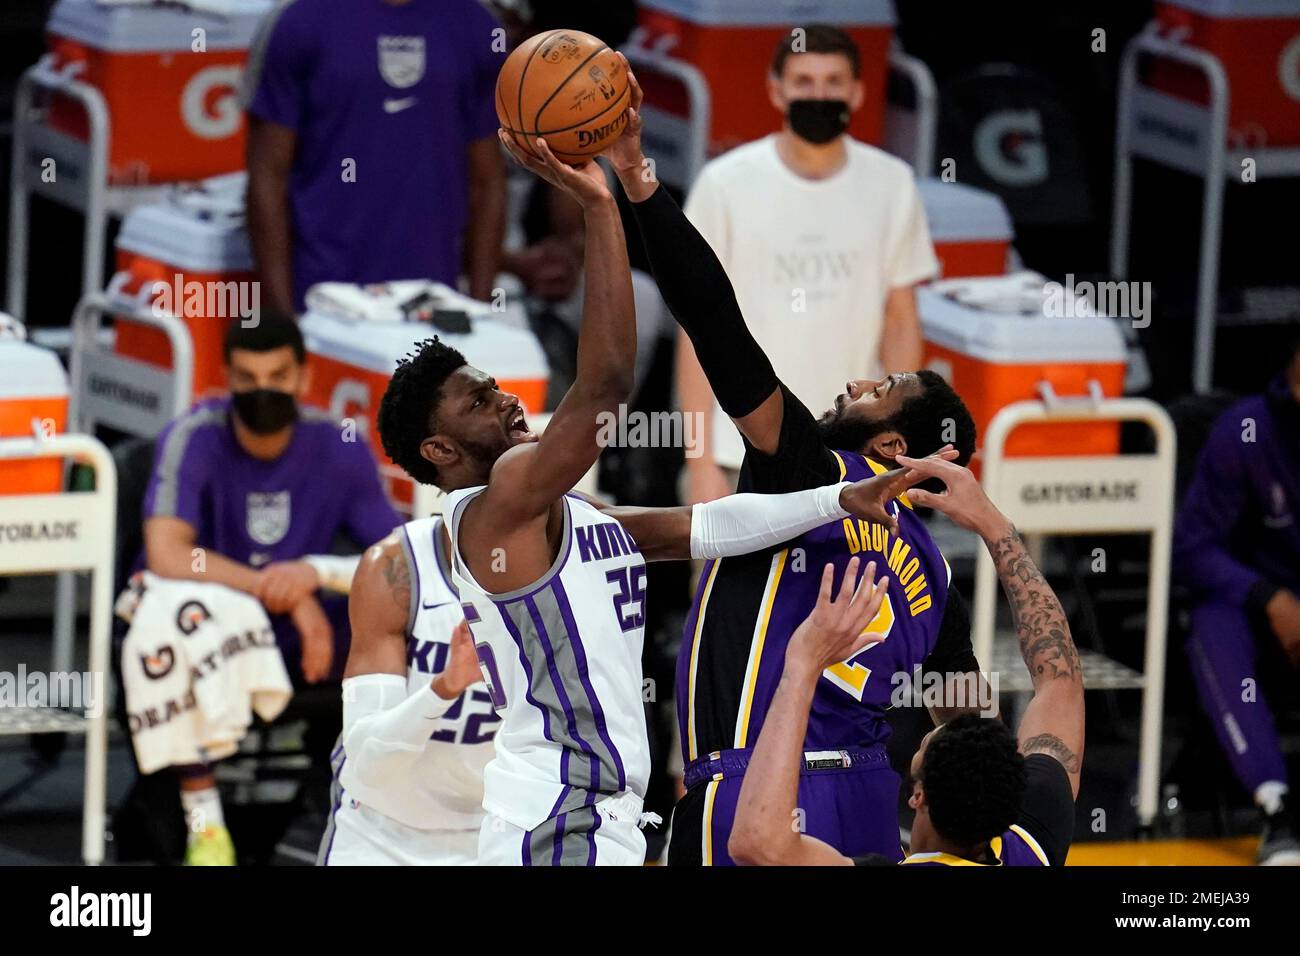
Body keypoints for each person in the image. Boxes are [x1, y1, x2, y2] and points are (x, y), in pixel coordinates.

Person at [360, 63, 950, 865]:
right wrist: (602, 204)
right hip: (553, 815)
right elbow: (605, 383)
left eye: (495, 385)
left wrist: (834, 500)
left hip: (611, 814)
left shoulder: (574, 518)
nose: (505, 402)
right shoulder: (496, 506)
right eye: (478, 403)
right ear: (439, 452)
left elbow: (707, 529)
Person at [607, 92, 985, 865]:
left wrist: (638, 182)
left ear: (888, 443)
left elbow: (716, 324)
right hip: (873, 805)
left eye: (876, 388)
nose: (853, 383)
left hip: (764, 797)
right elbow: (966, 716)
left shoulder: (811, 470)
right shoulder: (940, 574)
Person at [729, 454, 1083, 867]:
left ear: (919, 796)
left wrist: (802, 666)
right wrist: (995, 526)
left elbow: (757, 842)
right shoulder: (1033, 844)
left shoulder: (1036, 830)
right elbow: (1061, 682)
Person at [141, 313, 402, 864]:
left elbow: (401, 557)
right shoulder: (193, 436)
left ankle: (388, 818)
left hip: (304, 639)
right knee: (172, 610)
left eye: (277, 376)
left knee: (413, 609)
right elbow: (168, 554)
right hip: (205, 618)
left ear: (304, 379)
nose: (263, 390)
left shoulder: (338, 446)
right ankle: (203, 825)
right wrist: (273, 587)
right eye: (247, 377)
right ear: (227, 379)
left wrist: (314, 574)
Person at [678, 23, 938, 503]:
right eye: (804, 82)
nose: (819, 95)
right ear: (776, 92)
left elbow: (902, 323)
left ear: (857, 93)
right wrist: (698, 464)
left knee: (858, 581)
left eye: (833, 82)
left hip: (853, 458)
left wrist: (898, 448)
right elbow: (697, 330)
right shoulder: (724, 185)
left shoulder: (893, 184)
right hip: (739, 452)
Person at [242, 0, 506, 313]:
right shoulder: (297, 20)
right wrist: (284, 321)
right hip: (322, 298)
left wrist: (479, 312)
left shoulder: (476, 23)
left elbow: (487, 182)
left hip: (435, 300)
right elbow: (267, 176)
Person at [1174, 336, 1300, 865]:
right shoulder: (1246, 431)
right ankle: (1279, 809)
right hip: (1254, 609)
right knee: (1212, 623)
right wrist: (1270, 598)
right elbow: (1192, 548)